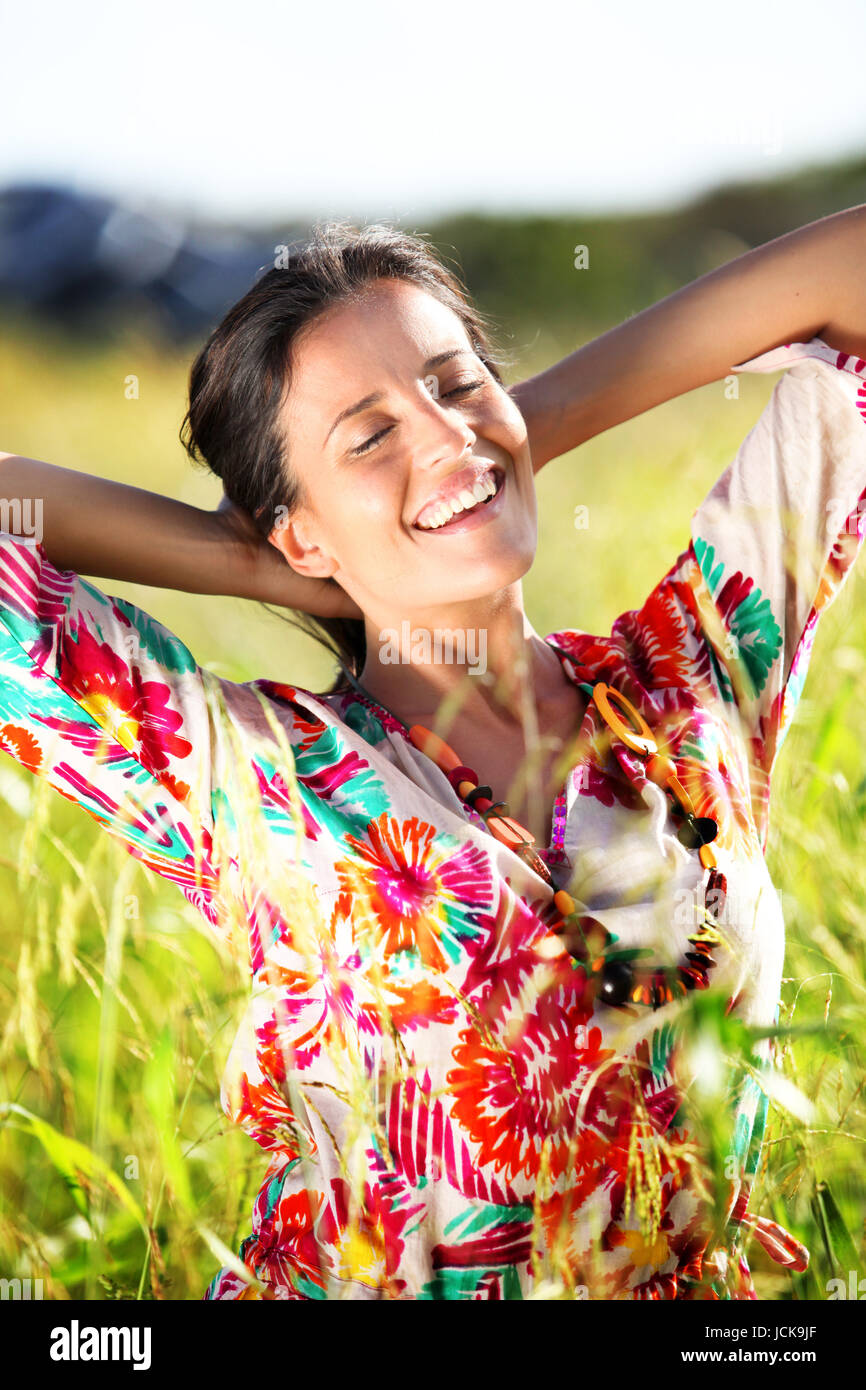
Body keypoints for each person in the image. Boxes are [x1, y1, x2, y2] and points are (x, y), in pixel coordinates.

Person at [1, 212, 865, 1300]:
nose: (441, 434)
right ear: (298, 528)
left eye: (457, 382)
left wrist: (504, 437)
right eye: (365, 437)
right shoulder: (251, 774)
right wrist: (250, 560)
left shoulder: (690, 675)